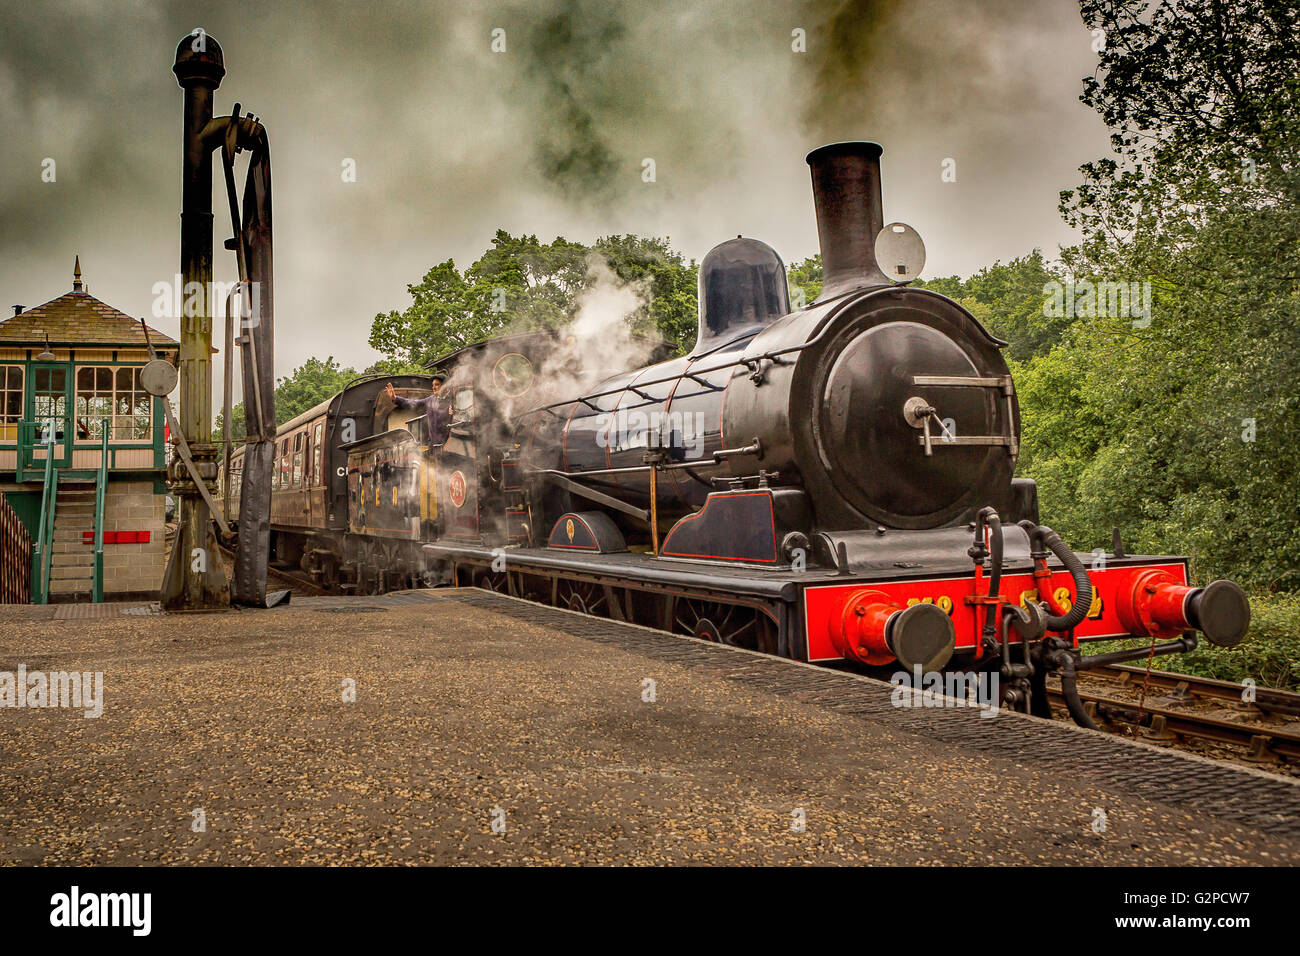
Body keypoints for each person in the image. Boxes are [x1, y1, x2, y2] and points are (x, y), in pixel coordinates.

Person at [385, 375, 450, 445]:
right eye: (433, 385)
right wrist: (395, 398)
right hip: (432, 444)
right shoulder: (431, 400)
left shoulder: (452, 401)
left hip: (448, 443)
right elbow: (414, 403)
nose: (433, 388)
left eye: (437, 385)